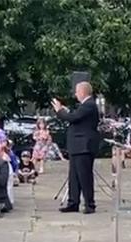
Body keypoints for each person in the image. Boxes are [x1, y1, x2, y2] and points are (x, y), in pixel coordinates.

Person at [53, 81, 100, 214]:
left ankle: (90, 204)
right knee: (74, 176)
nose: (75, 94)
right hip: (77, 146)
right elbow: (76, 117)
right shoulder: (84, 106)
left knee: (84, 176)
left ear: (83, 92)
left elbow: (73, 118)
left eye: (77, 91)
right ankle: (73, 202)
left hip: (83, 146)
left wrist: (59, 110)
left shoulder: (89, 105)